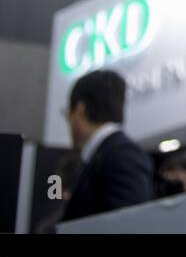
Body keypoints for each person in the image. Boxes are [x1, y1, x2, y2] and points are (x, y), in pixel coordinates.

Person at [59, 69, 155, 222]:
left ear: (80, 110)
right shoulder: (109, 155)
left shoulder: (122, 156)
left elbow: (130, 225)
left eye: (67, 113)